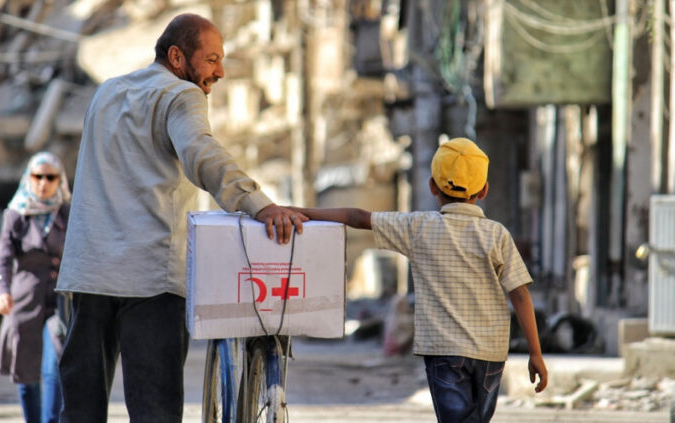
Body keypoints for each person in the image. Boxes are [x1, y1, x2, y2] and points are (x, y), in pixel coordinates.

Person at [55, 13, 307, 422]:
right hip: (150, 279)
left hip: (89, 273)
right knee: (155, 411)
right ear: (176, 57)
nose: (219, 72)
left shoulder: (106, 92)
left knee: (80, 410)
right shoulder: (181, 95)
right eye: (211, 59)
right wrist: (259, 204)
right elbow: (202, 154)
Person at [291, 137, 548, 422]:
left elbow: (358, 217)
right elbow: (520, 293)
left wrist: (300, 213)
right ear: (484, 190)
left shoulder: (418, 227)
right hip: (490, 352)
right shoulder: (497, 234)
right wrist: (535, 354)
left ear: (432, 186)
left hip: (443, 352)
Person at [0, 151, 71, 423]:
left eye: (51, 177)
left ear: (59, 180)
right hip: (24, 301)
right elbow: (3, 258)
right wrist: (2, 291)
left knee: (54, 366)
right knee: (26, 372)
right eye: (38, 176)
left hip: (59, 302)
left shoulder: (68, 213)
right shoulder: (16, 215)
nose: (43, 183)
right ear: (29, 178)